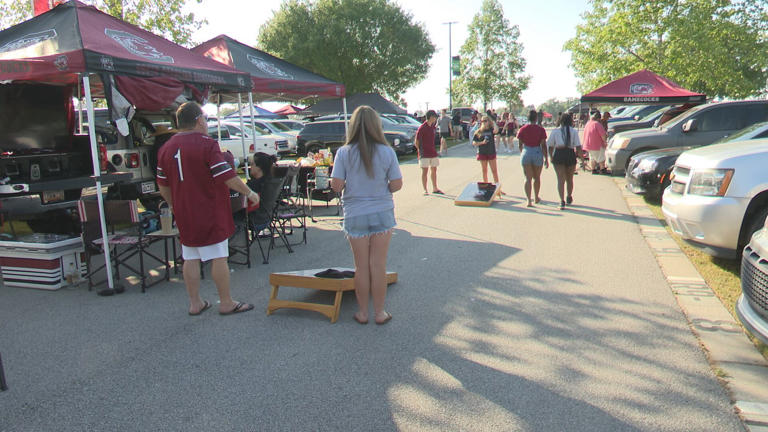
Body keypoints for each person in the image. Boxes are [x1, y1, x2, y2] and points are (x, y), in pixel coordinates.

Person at [156, 102, 259, 316]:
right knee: (218, 255)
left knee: (190, 255)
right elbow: (227, 176)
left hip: (184, 210)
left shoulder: (165, 147)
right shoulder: (207, 144)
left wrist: (174, 205)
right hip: (209, 208)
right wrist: (249, 193)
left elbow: (162, 183)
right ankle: (226, 301)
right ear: (199, 120)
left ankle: (195, 303)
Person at [330, 105, 403, 325]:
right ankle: (380, 313)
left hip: (355, 213)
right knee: (378, 265)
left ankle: (362, 313)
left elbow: (336, 185)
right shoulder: (387, 151)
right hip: (382, 211)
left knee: (360, 267)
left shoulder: (344, 152)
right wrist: (382, 189)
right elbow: (397, 183)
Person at [547, 113, 582, 210]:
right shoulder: (574, 131)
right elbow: (578, 146)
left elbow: (550, 146)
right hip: (570, 153)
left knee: (560, 179)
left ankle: (561, 200)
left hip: (559, 153)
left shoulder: (555, 131)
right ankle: (569, 195)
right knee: (569, 178)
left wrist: (551, 156)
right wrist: (582, 159)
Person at [517, 110, 549, 207]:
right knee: (537, 177)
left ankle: (528, 200)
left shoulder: (523, 129)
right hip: (537, 151)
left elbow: (520, 144)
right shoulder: (541, 129)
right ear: (536, 118)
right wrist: (546, 158)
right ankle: (536, 197)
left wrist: (522, 152)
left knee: (528, 178)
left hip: (526, 151)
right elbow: (543, 145)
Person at [414, 110, 442, 195]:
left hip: (432, 152)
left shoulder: (433, 127)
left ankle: (435, 188)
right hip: (424, 153)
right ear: (431, 117)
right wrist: (420, 150)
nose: (436, 119)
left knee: (434, 169)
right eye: (435, 117)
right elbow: (416, 141)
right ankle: (425, 189)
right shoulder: (422, 128)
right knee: (425, 171)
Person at [472, 115, 500, 185]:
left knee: (494, 171)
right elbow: (474, 142)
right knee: (484, 170)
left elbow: (496, 130)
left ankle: (497, 187)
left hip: (491, 152)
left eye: (485, 121)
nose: (483, 122)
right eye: (482, 121)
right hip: (482, 152)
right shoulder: (479, 131)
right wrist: (482, 142)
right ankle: (486, 186)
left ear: (488, 122)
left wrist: (493, 122)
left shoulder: (491, 129)